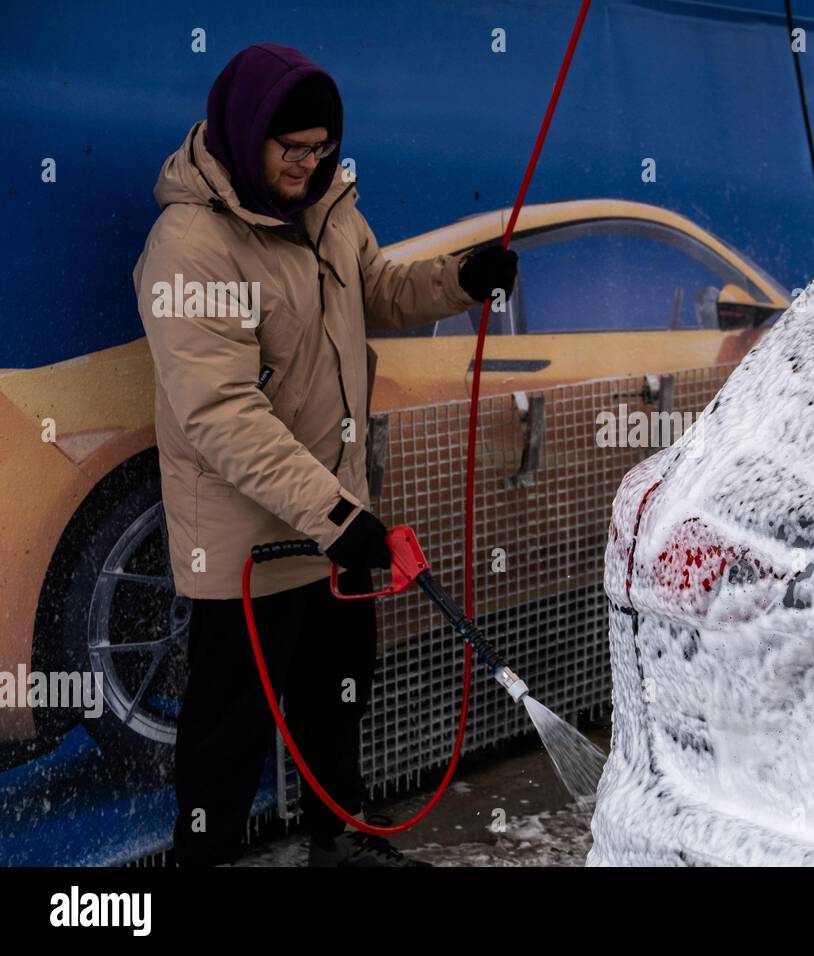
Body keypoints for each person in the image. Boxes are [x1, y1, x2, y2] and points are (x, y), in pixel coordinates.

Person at [132, 43, 517, 866]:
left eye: (320, 150)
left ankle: (338, 843)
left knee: (337, 705)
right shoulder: (190, 245)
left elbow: (378, 287)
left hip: (336, 526)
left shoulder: (331, 209)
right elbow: (222, 411)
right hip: (248, 546)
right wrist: (338, 516)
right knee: (228, 733)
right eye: (291, 151)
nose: (308, 166)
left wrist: (462, 279)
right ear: (245, 135)